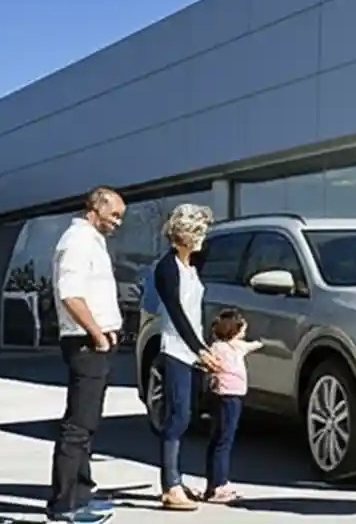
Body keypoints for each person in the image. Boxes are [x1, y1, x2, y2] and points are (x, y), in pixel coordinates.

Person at [46, 187, 127, 524]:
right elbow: (71, 294)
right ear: (96, 207)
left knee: (88, 424)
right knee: (77, 426)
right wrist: (96, 333)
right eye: (115, 215)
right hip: (86, 343)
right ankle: (64, 505)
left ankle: (81, 494)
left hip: (95, 342)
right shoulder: (77, 242)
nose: (118, 222)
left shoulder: (92, 240)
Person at [153, 203, 223, 511]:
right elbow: (177, 314)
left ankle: (177, 479)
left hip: (191, 351)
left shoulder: (190, 266)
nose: (203, 237)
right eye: (199, 231)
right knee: (177, 417)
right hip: (175, 349)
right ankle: (170, 486)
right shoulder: (167, 268)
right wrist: (200, 350)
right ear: (184, 234)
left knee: (189, 415)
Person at [203, 309, 263, 504]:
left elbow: (250, 345)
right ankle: (219, 485)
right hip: (231, 396)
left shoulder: (217, 347)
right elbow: (253, 345)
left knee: (217, 439)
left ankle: (214, 482)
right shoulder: (232, 347)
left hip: (219, 396)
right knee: (224, 440)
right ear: (234, 331)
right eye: (242, 328)